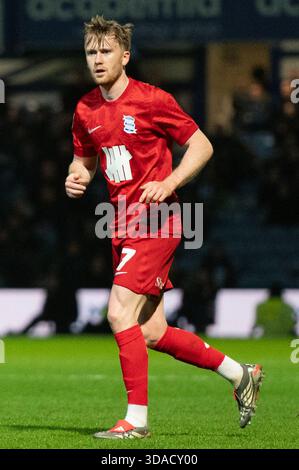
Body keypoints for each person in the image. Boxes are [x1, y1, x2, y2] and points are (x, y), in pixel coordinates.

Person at [65, 15, 264, 439]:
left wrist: (170, 181)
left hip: (158, 220)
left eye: (106, 51)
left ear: (125, 55)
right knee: (152, 332)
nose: (98, 59)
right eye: (91, 52)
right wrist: (76, 175)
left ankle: (136, 421)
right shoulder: (85, 109)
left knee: (118, 311)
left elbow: (202, 145)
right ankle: (239, 373)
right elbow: (82, 159)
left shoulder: (152, 100)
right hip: (119, 224)